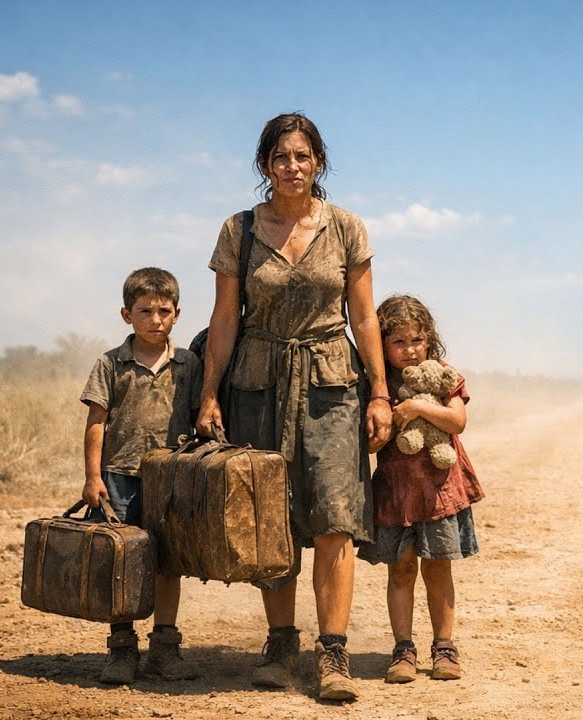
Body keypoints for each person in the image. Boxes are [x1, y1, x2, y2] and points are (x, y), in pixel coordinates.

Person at [196, 113, 392, 701]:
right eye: (280, 157)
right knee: (268, 516)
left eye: (303, 156)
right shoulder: (239, 230)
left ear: (319, 163)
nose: (292, 167)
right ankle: (281, 643)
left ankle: (333, 654)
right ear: (264, 166)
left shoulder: (348, 227)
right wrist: (209, 391)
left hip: (333, 384)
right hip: (257, 384)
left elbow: (363, 317)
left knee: (335, 516)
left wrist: (379, 392)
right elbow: (226, 317)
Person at [79, 267, 202, 685]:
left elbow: (201, 418)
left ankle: (165, 649)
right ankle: (122, 648)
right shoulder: (111, 363)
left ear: (177, 314)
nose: (155, 319)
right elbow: (97, 422)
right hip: (119, 477)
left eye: (164, 310)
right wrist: (92, 478)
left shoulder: (190, 364)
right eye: (144, 310)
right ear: (125, 314)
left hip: (171, 479)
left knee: (169, 563)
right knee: (121, 563)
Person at [358, 295, 484, 684]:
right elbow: (371, 445)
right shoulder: (377, 388)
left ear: (429, 339)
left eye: (417, 340)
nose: (410, 350)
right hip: (398, 492)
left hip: (441, 491)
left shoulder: (443, 375)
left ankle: (444, 647)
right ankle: (403, 649)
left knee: (438, 568)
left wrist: (416, 409)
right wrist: (390, 421)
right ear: (381, 345)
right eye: (398, 342)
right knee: (401, 570)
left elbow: (457, 422)